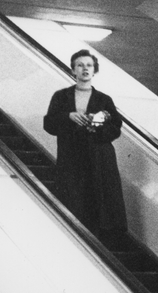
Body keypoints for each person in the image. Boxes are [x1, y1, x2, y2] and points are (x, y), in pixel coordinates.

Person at [42, 49, 128, 243]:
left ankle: (97, 240)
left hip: (99, 156)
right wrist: (68, 116)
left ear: (94, 70)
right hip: (72, 155)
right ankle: (74, 238)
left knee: (98, 197)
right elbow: (49, 124)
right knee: (73, 196)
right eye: (80, 65)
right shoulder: (61, 97)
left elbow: (115, 128)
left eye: (89, 65)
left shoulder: (104, 100)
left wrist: (95, 127)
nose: (85, 69)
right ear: (73, 70)